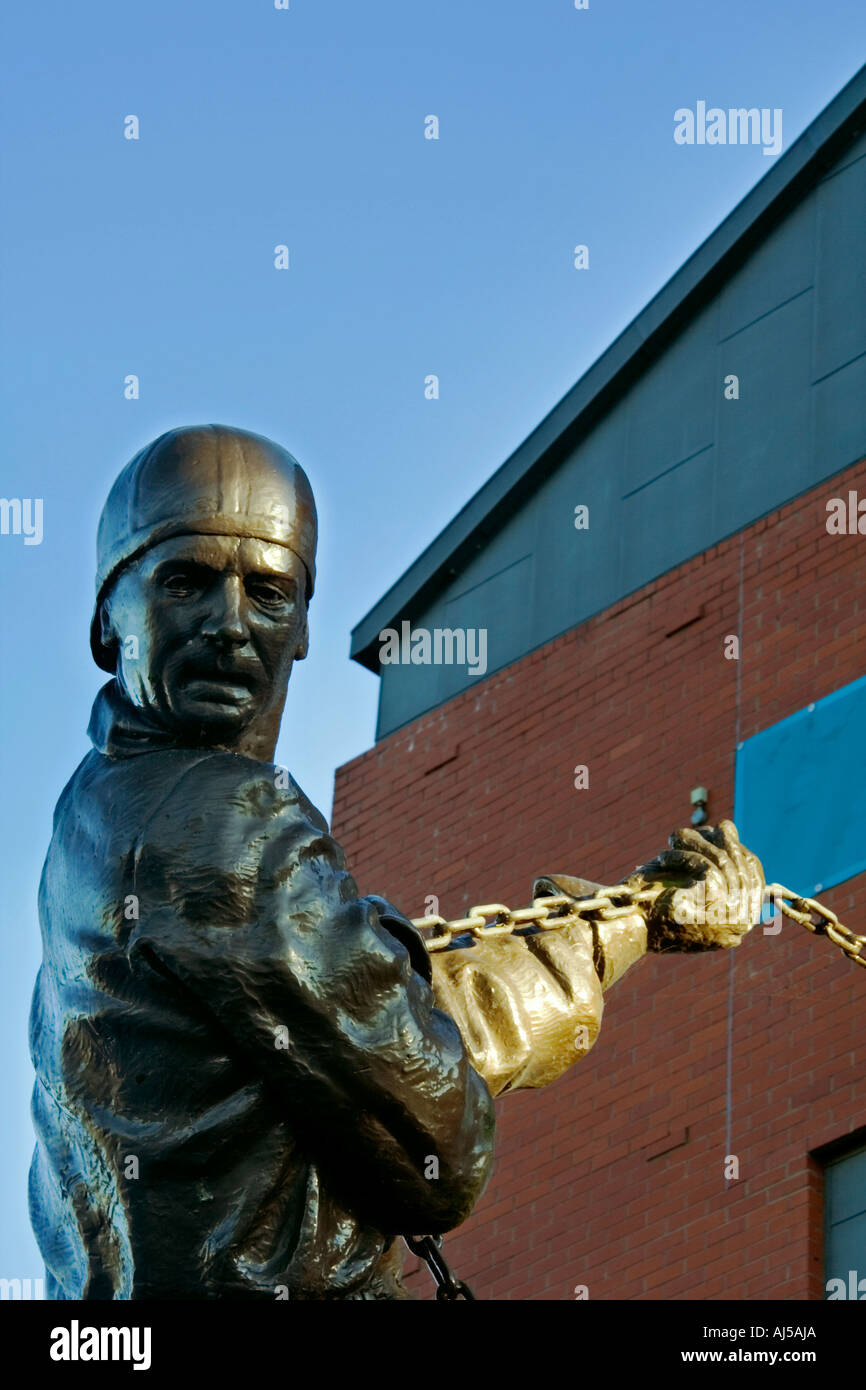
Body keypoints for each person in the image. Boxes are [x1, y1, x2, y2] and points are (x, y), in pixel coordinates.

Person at [29, 424, 764, 1300]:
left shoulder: (92, 808)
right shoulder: (228, 824)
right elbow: (439, 1142)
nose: (230, 625)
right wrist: (629, 927)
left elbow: (354, 1019)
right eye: (186, 582)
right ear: (107, 621)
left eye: (267, 592)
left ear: (301, 628)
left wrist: (627, 918)